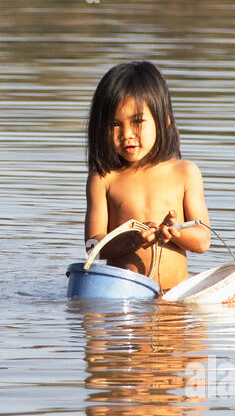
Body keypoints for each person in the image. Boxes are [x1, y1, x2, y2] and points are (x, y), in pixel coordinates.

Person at [84, 61, 211, 292]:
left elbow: (203, 240)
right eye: (114, 124)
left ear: (164, 120)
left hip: (175, 302)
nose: (127, 135)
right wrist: (131, 240)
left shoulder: (184, 173)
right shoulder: (104, 178)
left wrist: (175, 233)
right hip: (122, 304)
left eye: (137, 122)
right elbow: (93, 246)